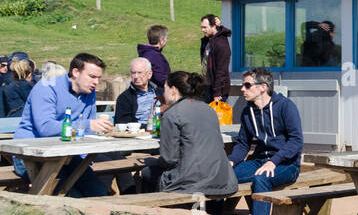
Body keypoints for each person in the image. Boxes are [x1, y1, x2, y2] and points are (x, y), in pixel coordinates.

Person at [13, 53, 114, 197]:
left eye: (98, 78)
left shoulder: (89, 92)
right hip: (31, 154)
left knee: (99, 192)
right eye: (92, 76)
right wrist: (88, 125)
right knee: (71, 197)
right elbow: (45, 128)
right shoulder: (46, 87)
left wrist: (86, 157)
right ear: (75, 72)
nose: (96, 82)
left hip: (67, 154)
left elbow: (88, 131)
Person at [139, 71, 239, 197]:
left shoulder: (172, 114)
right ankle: (214, 212)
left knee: (147, 172)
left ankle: (147, 213)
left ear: (173, 90)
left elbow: (169, 159)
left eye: (165, 89)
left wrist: (154, 161)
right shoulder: (209, 109)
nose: (163, 93)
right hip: (223, 178)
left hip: (191, 182)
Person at [227, 68, 303, 215]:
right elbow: (243, 143)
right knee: (223, 174)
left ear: (262, 87)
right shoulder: (247, 112)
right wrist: (231, 161)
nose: (242, 89)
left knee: (261, 179)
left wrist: (274, 161)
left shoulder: (285, 106)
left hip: (286, 164)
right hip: (259, 161)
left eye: (247, 85)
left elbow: (296, 141)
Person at [113, 57, 163, 126]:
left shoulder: (160, 92)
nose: (136, 76)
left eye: (140, 73)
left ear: (149, 74)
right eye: (133, 73)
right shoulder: (124, 98)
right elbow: (123, 123)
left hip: (162, 131)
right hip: (140, 133)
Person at [199, 14, 232, 104]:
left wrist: (217, 92)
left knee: (217, 117)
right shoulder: (209, 41)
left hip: (218, 91)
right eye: (202, 27)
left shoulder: (221, 44)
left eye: (205, 27)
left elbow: (221, 70)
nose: (202, 30)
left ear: (213, 26)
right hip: (208, 87)